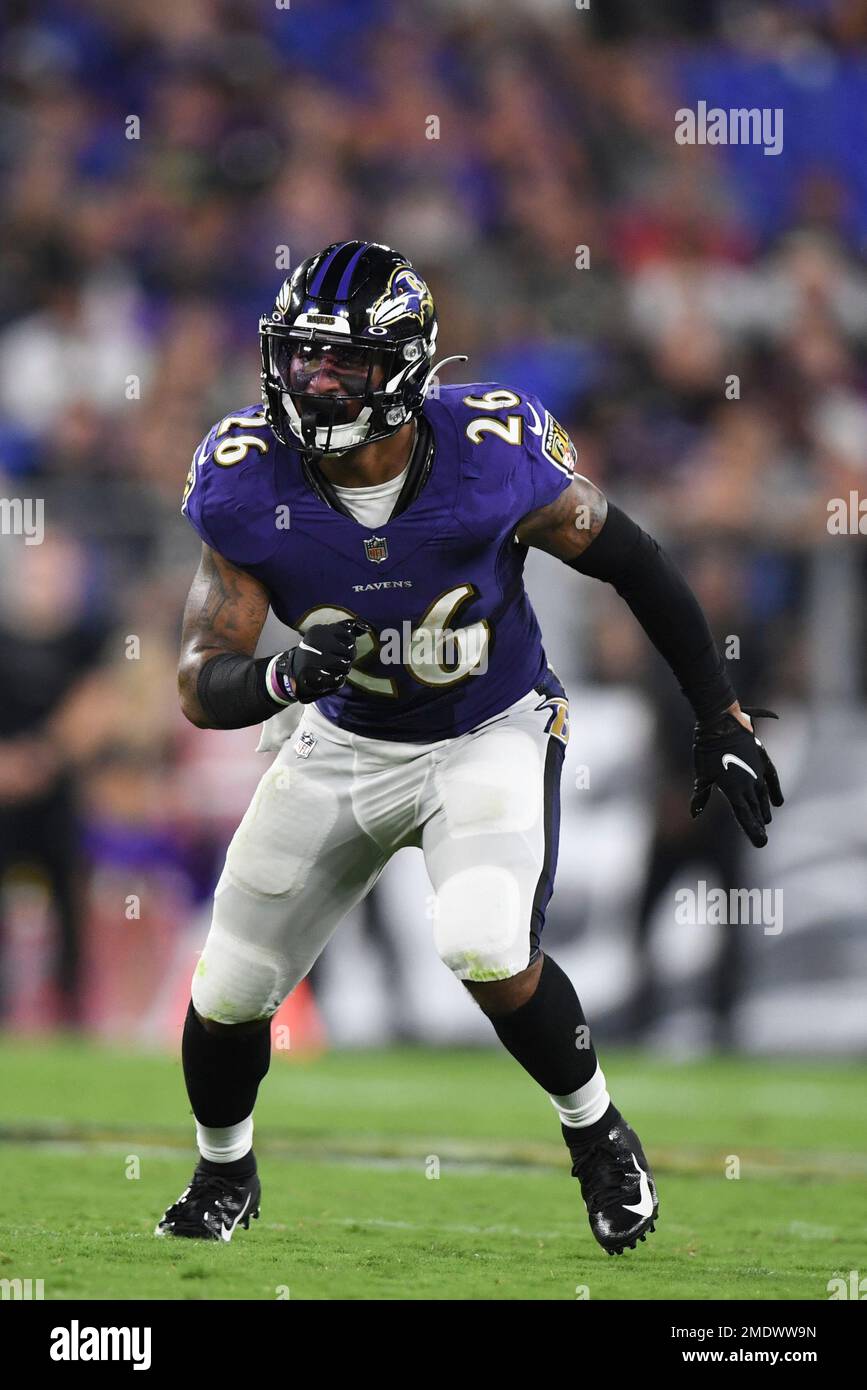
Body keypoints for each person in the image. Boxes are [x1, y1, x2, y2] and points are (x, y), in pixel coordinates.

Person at [155, 241, 782, 1254]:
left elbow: (637, 561)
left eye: (343, 363)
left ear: (403, 366)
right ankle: (224, 1168)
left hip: (485, 730)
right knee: (229, 984)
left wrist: (720, 716)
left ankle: (598, 1135)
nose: (313, 381)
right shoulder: (244, 477)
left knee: (485, 939)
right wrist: (286, 676)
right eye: (302, 356)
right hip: (344, 739)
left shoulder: (493, 451)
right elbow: (197, 677)